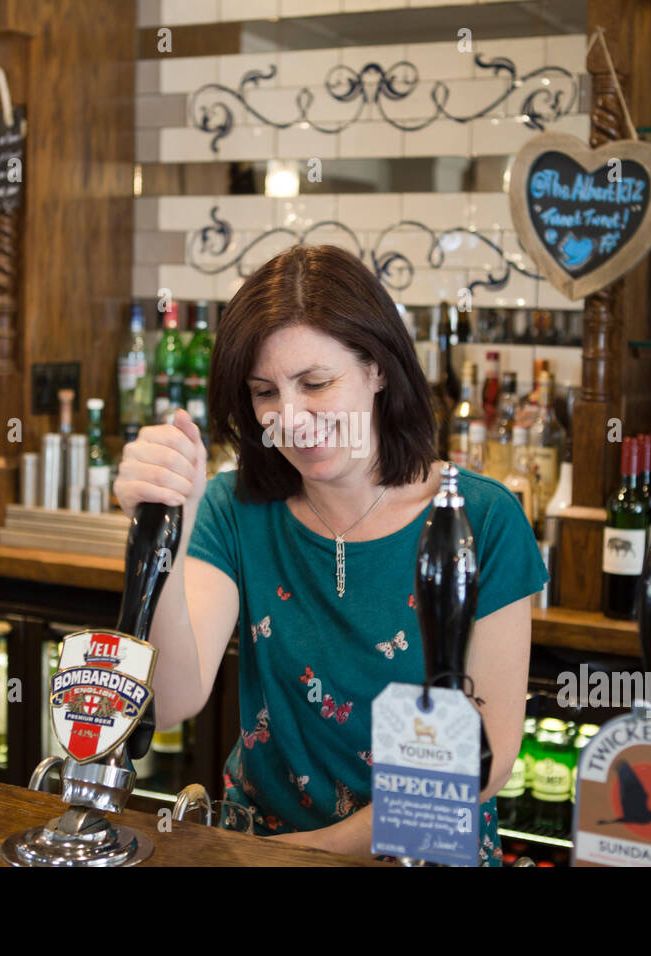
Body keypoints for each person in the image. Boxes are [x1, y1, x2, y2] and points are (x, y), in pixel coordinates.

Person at [115, 244, 546, 865]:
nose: (290, 418)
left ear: (378, 369)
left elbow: (485, 760)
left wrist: (301, 854)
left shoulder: (479, 519)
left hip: (415, 852)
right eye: (265, 392)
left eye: (315, 383)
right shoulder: (236, 507)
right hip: (258, 840)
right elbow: (174, 700)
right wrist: (168, 537)